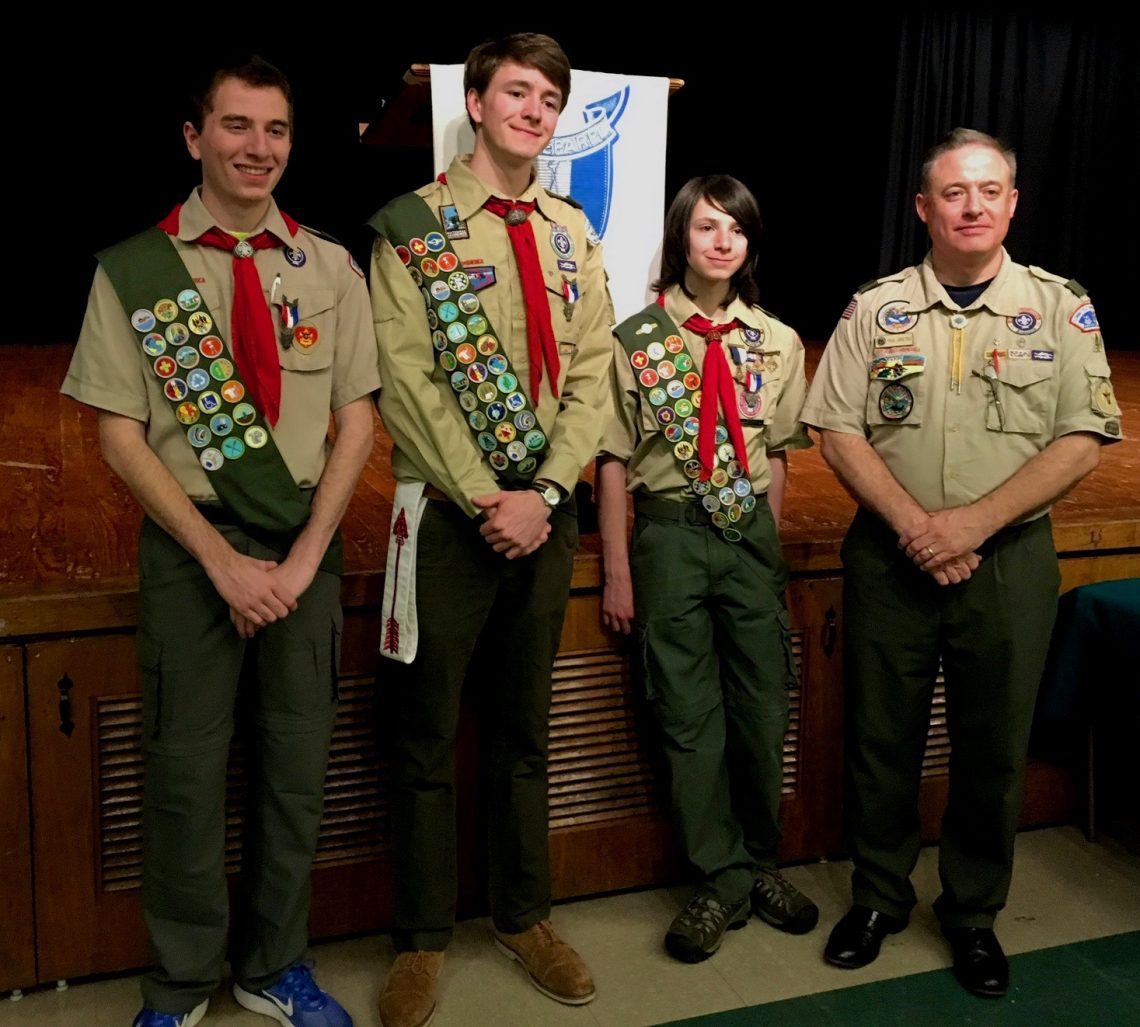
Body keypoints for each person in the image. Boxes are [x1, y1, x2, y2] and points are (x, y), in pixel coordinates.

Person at [61, 55, 379, 1027]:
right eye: (237, 127)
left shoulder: (326, 264)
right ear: (195, 137)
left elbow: (357, 421)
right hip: (193, 550)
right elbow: (119, 433)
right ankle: (181, 981)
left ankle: (274, 964)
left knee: (295, 769)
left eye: (275, 129)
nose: (258, 148)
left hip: (301, 550)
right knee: (185, 777)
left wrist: (301, 558)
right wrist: (221, 560)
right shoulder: (140, 270)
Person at [800, 127, 1122, 998]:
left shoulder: (1059, 305)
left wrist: (970, 524)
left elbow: (1085, 437)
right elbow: (834, 428)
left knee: (993, 748)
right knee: (879, 740)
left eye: (989, 190)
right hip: (891, 556)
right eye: (953, 191)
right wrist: (917, 527)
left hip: (1009, 562)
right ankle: (877, 896)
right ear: (923, 207)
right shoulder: (876, 308)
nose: (972, 205)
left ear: (1013, 203)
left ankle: (973, 912)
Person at [366, 32, 614, 1027]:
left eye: (550, 98)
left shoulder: (570, 230)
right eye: (517, 91)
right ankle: (423, 938)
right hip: (447, 515)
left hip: (545, 514)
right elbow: (407, 375)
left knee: (523, 731)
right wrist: (487, 498)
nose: (535, 109)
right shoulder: (413, 226)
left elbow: (594, 367)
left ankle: (523, 917)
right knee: (423, 733)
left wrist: (547, 493)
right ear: (475, 102)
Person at [595, 175, 819, 964]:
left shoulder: (778, 343)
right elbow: (615, 462)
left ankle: (759, 862)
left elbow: (782, 457)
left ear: (750, 244)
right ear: (681, 238)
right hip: (669, 538)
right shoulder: (636, 339)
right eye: (705, 228)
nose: (721, 242)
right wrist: (618, 571)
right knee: (688, 718)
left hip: (748, 539)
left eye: (736, 229)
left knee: (762, 707)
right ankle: (721, 875)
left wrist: (767, 540)